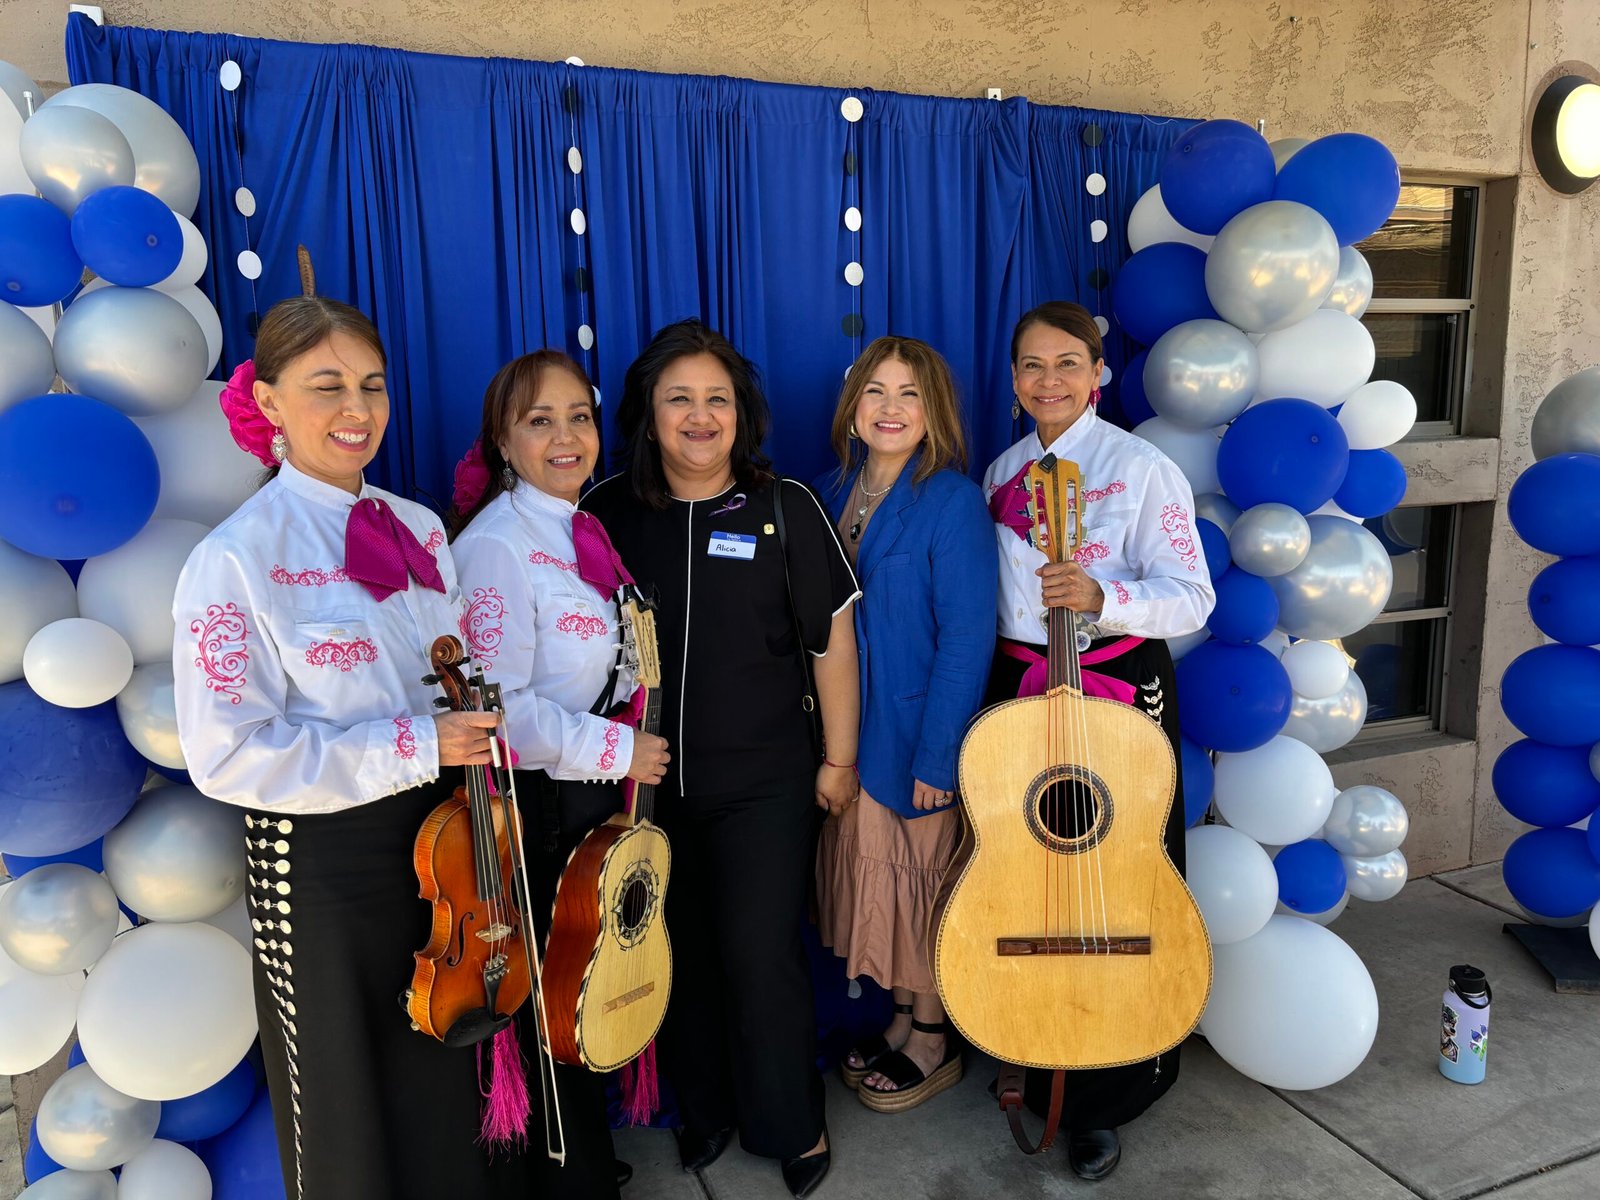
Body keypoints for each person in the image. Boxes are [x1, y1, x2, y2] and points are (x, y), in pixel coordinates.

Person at [173, 297, 521, 1199]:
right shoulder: (235, 557)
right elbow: (229, 755)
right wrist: (419, 740)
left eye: (371, 384)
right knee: (342, 1097)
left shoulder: (420, 529)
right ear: (271, 403)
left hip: (437, 843)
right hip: (322, 859)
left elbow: (452, 668)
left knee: (441, 1070)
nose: (356, 408)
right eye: (325, 386)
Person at [581, 319, 860, 1199]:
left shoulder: (788, 507)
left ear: (742, 413)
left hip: (766, 780)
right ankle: (700, 1109)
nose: (700, 418)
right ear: (648, 415)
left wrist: (839, 760)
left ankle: (789, 1120)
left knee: (758, 952)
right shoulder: (603, 511)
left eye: (717, 400)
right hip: (645, 784)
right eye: (679, 400)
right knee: (675, 950)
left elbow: (832, 642)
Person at [982, 300, 1214, 1181]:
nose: (1051, 381)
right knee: (1030, 874)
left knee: (1123, 881)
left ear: (1098, 374)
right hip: (1021, 686)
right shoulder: (1001, 472)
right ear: (1013, 380)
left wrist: (1103, 598)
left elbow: (1193, 597)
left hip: (1120, 685)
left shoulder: (1142, 467)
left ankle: (1110, 1094)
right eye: (1034, 366)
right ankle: (1038, 1053)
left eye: (1069, 364)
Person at [450, 351, 673, 1197]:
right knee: (554, 998)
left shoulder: (580, 529)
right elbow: (496, 713)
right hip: (534, 802)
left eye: (578, 415)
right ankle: (567, 1176)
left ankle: (583, 1154)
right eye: (539, 420)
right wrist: (619, 752)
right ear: (504, 440)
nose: (565, 435)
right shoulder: (499, 547)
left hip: (586, 795)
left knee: (584, 986)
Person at [812, 336, 997, 1112]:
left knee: (922, 893)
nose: (891, 408)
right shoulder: (827, 490)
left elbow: (966, 639)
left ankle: (932, 1036)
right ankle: (896, 1019)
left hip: (918, 738)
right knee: (875, 890)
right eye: (876, 391)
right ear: (854, 409)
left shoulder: (950, 500)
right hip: (848, 736)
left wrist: (942, 756)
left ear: (934, 414)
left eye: (909, 394)